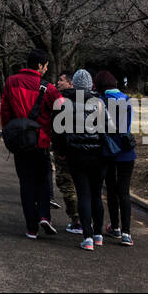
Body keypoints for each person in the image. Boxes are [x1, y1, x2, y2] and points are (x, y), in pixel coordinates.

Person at [0, 50, 61, 239]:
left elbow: (5, 111)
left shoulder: (11, 81)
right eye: (46, 66)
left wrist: (10, 131)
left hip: (20, 141)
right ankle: (44, 215)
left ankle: (31, 227)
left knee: (26, 183)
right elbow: (60, 111)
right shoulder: (49, 88)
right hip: (40, 141)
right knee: (43, 179)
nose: (46, 70)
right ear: (40, 66)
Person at [56, 69, 109, 251]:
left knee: (83, 194)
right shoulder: (99, 103)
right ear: (90, 85)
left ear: (75, 85)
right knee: (97, 195)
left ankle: (87, 237)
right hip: (98, 156)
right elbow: (110, 128)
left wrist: (61, 151)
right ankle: (99, 235)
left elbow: (60, 131)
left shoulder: (67, 104)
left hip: (76, 155)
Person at [97, 70, 135, 246]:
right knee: (124, 191)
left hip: (109, 150)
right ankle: (127, 233)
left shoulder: (99, 101)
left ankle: (116, 227)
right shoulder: (126, 100)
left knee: (111, 190)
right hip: (127, 151)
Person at [52, 71, 82, 235]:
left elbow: (57, 129)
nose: (58, 82)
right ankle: (86, 220)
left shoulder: (61, 101)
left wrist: (59, 149)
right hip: (85, 150)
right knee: (82, 185)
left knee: (67, 184)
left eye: (61, 80)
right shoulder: (91, 100)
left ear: (71, 83)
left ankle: (76, 219)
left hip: (66, 150)